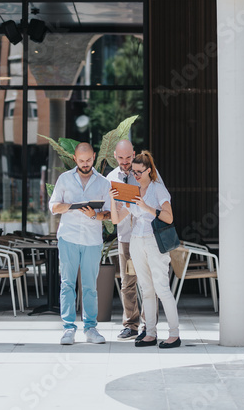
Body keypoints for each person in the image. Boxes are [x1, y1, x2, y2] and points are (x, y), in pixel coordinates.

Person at [110, 150, 180, 348]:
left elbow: (169, 217)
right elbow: (116, 220)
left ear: (149, 170)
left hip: (154, 240)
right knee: (146, 290)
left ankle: (174, 334)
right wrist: (114, 199)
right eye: (134, 171)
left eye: (139, 171)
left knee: (162, 289)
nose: (135, 175)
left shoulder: (157, 189)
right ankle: (150, 333)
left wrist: (146, 207)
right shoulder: (133, 190)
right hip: (136, 240)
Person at [49, 142, 112, 345]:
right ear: (74, 158)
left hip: (92, 240)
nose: (85, 164)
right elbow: (54, 207)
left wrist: (95, 214)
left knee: (90, 286)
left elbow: (110, 214)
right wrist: (72, 206)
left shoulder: (103, 183)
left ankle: (91, 328)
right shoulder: (64, 179)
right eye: (81, 160)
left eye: (89, 160)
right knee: (67, 284)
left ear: (94, 156)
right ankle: (68, 329)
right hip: (68, 238)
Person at [105, 139, 140, 340]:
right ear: (115, 157)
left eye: (128, 157)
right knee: (128, 282)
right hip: (126, 239)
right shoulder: (110, 179)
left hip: (146, 236)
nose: (125, 162)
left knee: (148, 282)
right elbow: (112, 212)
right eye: (121, 158)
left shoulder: (144, 173)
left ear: (133, 154)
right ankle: (131, 325)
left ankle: (149, 325)